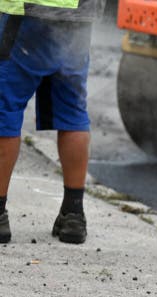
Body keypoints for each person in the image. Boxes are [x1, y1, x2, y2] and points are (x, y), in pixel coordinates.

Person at [0, 0, 105, 245]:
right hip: (78, 16)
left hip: (27, 11)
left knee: (5, 108)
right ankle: (73, 215)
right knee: (72, 110)